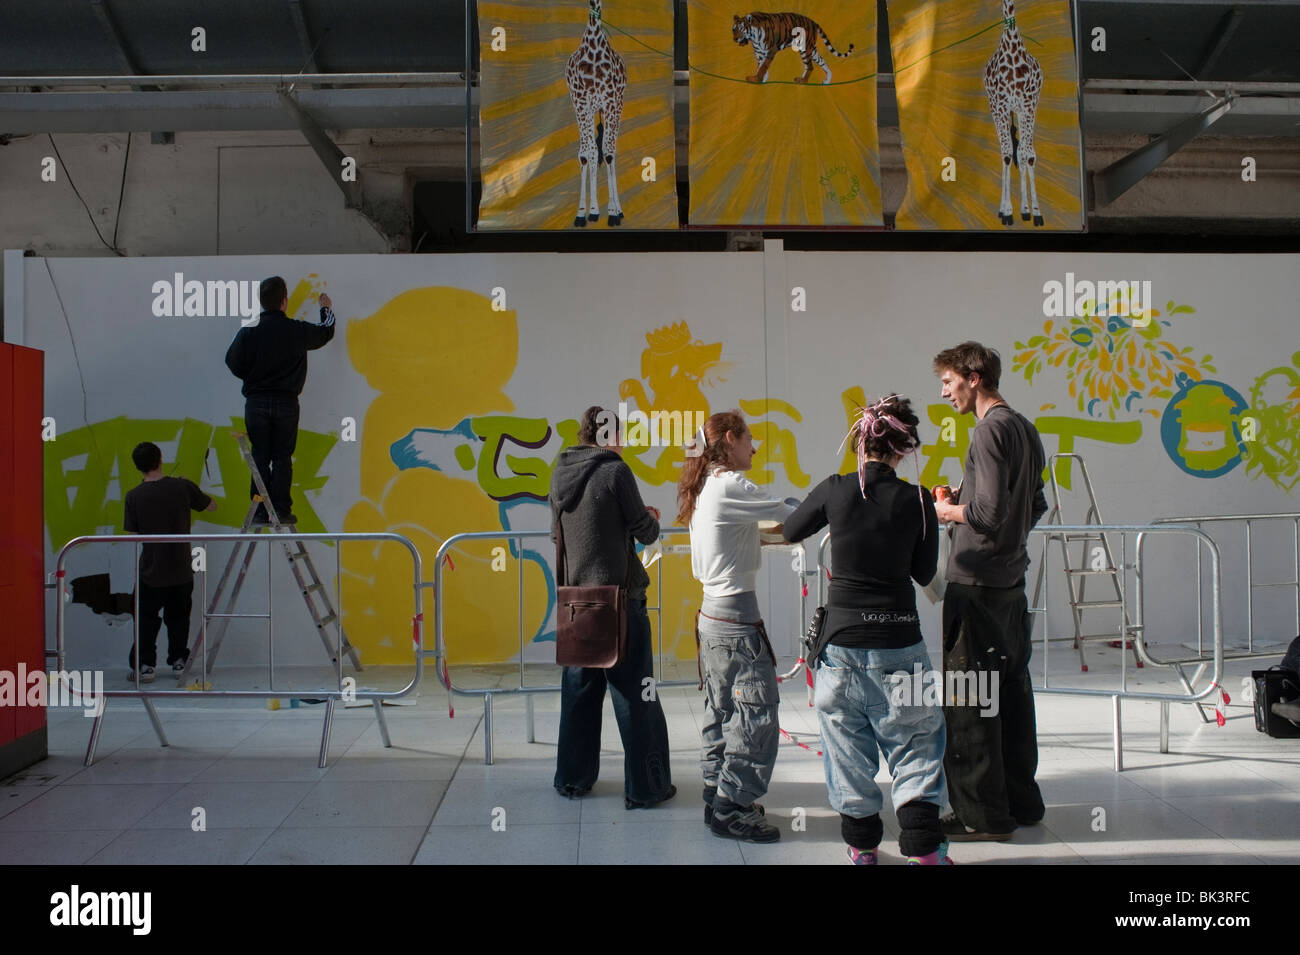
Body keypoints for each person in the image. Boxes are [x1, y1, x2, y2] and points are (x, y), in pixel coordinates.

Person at [783, 394, 952, 864]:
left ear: (860, 442)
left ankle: (863, 850)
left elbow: (792, 529)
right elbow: (923, 573)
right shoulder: (917, 500)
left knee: (847, 751)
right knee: (917, 745)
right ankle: (925, 853)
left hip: (840, 647)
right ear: (906, 447)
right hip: (900, 643)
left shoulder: (835, 489)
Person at [932, 341, 1048, 841]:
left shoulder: (987, 431)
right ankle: (1021, 801)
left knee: (971, 702)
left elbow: (989, 513)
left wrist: (948, 511)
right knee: (1012, 695)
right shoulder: (1025, 428)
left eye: (948, 382)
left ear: (973, 378)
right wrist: (976, 509)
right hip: (1010, 584)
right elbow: (1034, 505)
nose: (944, 393)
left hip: (976, 585)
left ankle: (981, 815)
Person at [677, 409, 797, 843]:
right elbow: (793, 514)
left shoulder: (704, 487)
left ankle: (717, 792)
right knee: (757, 715)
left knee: (721, 708)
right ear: (730, 438)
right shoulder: (732, 485)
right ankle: (733, 807)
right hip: (736, 620)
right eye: (749, 439)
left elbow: (746, 534)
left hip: (712, 618)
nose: (755, 448)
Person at [549, 406, 675, 808]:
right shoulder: (616, 471)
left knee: (579, 693)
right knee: (638, 694)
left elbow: (558, 535)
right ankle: (647, 788)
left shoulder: (560, 473)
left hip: (578, 602)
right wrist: (649, 518)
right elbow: (646, 531)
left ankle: (572, 780)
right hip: (621, 601)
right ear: (611, 436)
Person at [224, 278, 336, 525]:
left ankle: (260, 510)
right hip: (286, 402)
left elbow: (232, 361)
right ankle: (282, 510)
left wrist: (252, 376)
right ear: (284, 302)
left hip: (256, 401)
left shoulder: (249, 332)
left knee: (260, 456)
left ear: (262, 303)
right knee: (282, 457)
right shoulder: (295, 330)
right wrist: (326, 308)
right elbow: (325, 331)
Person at [123, 441, 218, 681]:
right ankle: (178, 661)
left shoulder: (133, 496)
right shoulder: (182, 487)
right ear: (160, 459)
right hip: (181, 569)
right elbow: (211, 507)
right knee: (179, 619)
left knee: (145, 619)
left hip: (151, 570)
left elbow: (132, 534)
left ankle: (145, 666)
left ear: (138, 467)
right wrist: (189, 488)